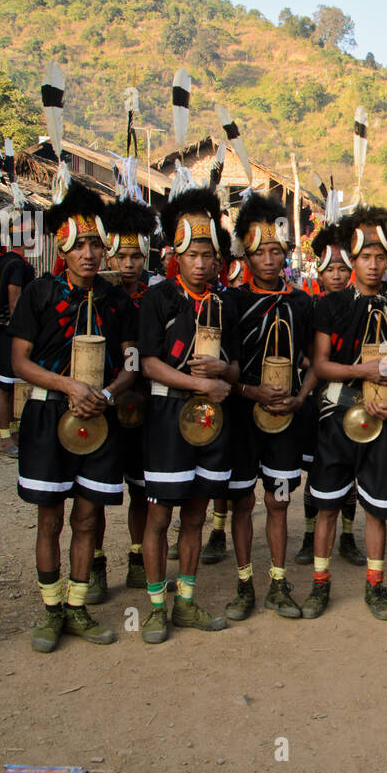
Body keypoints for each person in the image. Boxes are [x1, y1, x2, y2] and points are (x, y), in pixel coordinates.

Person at [9, 181, 139, 651]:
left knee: (87, 518)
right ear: (62, 247)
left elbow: (131, 362)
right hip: (48, 417)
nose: (89, 253)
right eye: (79, 244)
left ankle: (78, 607)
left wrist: (105, 392)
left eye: (95, 244)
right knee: (50, 519)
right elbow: (19, 361)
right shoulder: (38, 293)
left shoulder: (116, 299)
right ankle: (50, 611)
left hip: (100, 419)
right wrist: (68, 386)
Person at [133, 187, 240, 643]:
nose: (200, 263)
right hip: (166, 415)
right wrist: (200, 383)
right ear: (177, 254)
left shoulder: (226, 303)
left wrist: (223, 370)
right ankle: (157, 606)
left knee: (196, 514)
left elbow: (236, 367)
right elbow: (149, 362)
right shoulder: (158, 300)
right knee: (160, 516)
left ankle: (187, 601)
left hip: (212, 421)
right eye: (193, 254)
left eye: (208, 255)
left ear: (218, 259)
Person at [307, 206, 387, 620]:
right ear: (352, 259)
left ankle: (375, 585)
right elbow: (320, 365)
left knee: (376, 507)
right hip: (337, 412)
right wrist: (363, 370)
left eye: (380, 257)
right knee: (328, 505)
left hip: (384, 418)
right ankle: (320, 585)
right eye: (365, 257)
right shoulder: (331, 305)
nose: (373, 265)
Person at [225, 193, 317, 621]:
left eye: (275, 251)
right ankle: (245, 583)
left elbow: (314, 361)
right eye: (260, 251)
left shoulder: (301, 303)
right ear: (246, 253)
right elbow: (225, 369)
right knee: (242, 502)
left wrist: (301, 396)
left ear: (286, 253)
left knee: (278, 501)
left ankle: (278, 583)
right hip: (244, 418)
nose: (268, 259)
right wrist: (250, 392)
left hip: (285, 418)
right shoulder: (231, 302)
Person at [294, 224, 367, 569]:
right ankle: (311, 536)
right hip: (316, 398)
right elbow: (307, 357)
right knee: (318, 471)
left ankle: (349, 537)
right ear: (319, 272)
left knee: (350, 469)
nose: (336, 275)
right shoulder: (310, 307)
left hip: (351, 397)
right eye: (330, 269)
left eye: (342, 268)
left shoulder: (360, 306)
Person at [102, 196, 160, 590]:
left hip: (147, 402)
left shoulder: (156, 297)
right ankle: (92, 563)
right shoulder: (97, 296)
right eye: (121, 255)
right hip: (102, 402)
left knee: (141, 488)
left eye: (135, 256)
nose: (128, 264)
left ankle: (138, 557)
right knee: (96, 492)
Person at [0, 210, 37, 458]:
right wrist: (24, 332)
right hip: (10, 333)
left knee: (11, 386)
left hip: (2, 331)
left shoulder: (4, 260)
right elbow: (15, 301)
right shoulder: (17, 264)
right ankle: (6, 439)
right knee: (6, 386)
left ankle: (12, 434)